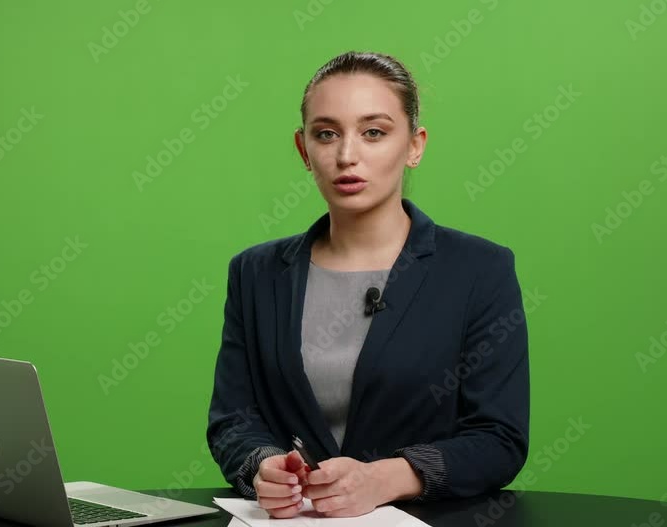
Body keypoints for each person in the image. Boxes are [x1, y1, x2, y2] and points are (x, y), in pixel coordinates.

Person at [206, 51, 529, 519]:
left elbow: (499, 439)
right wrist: (263, 468)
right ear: (304, 149)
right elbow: (233, 421)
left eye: (373, 132)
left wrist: (383, 479)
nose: (346, 155)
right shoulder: (255, 272)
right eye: (326, 134)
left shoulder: (481, 269)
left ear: (415, 145)